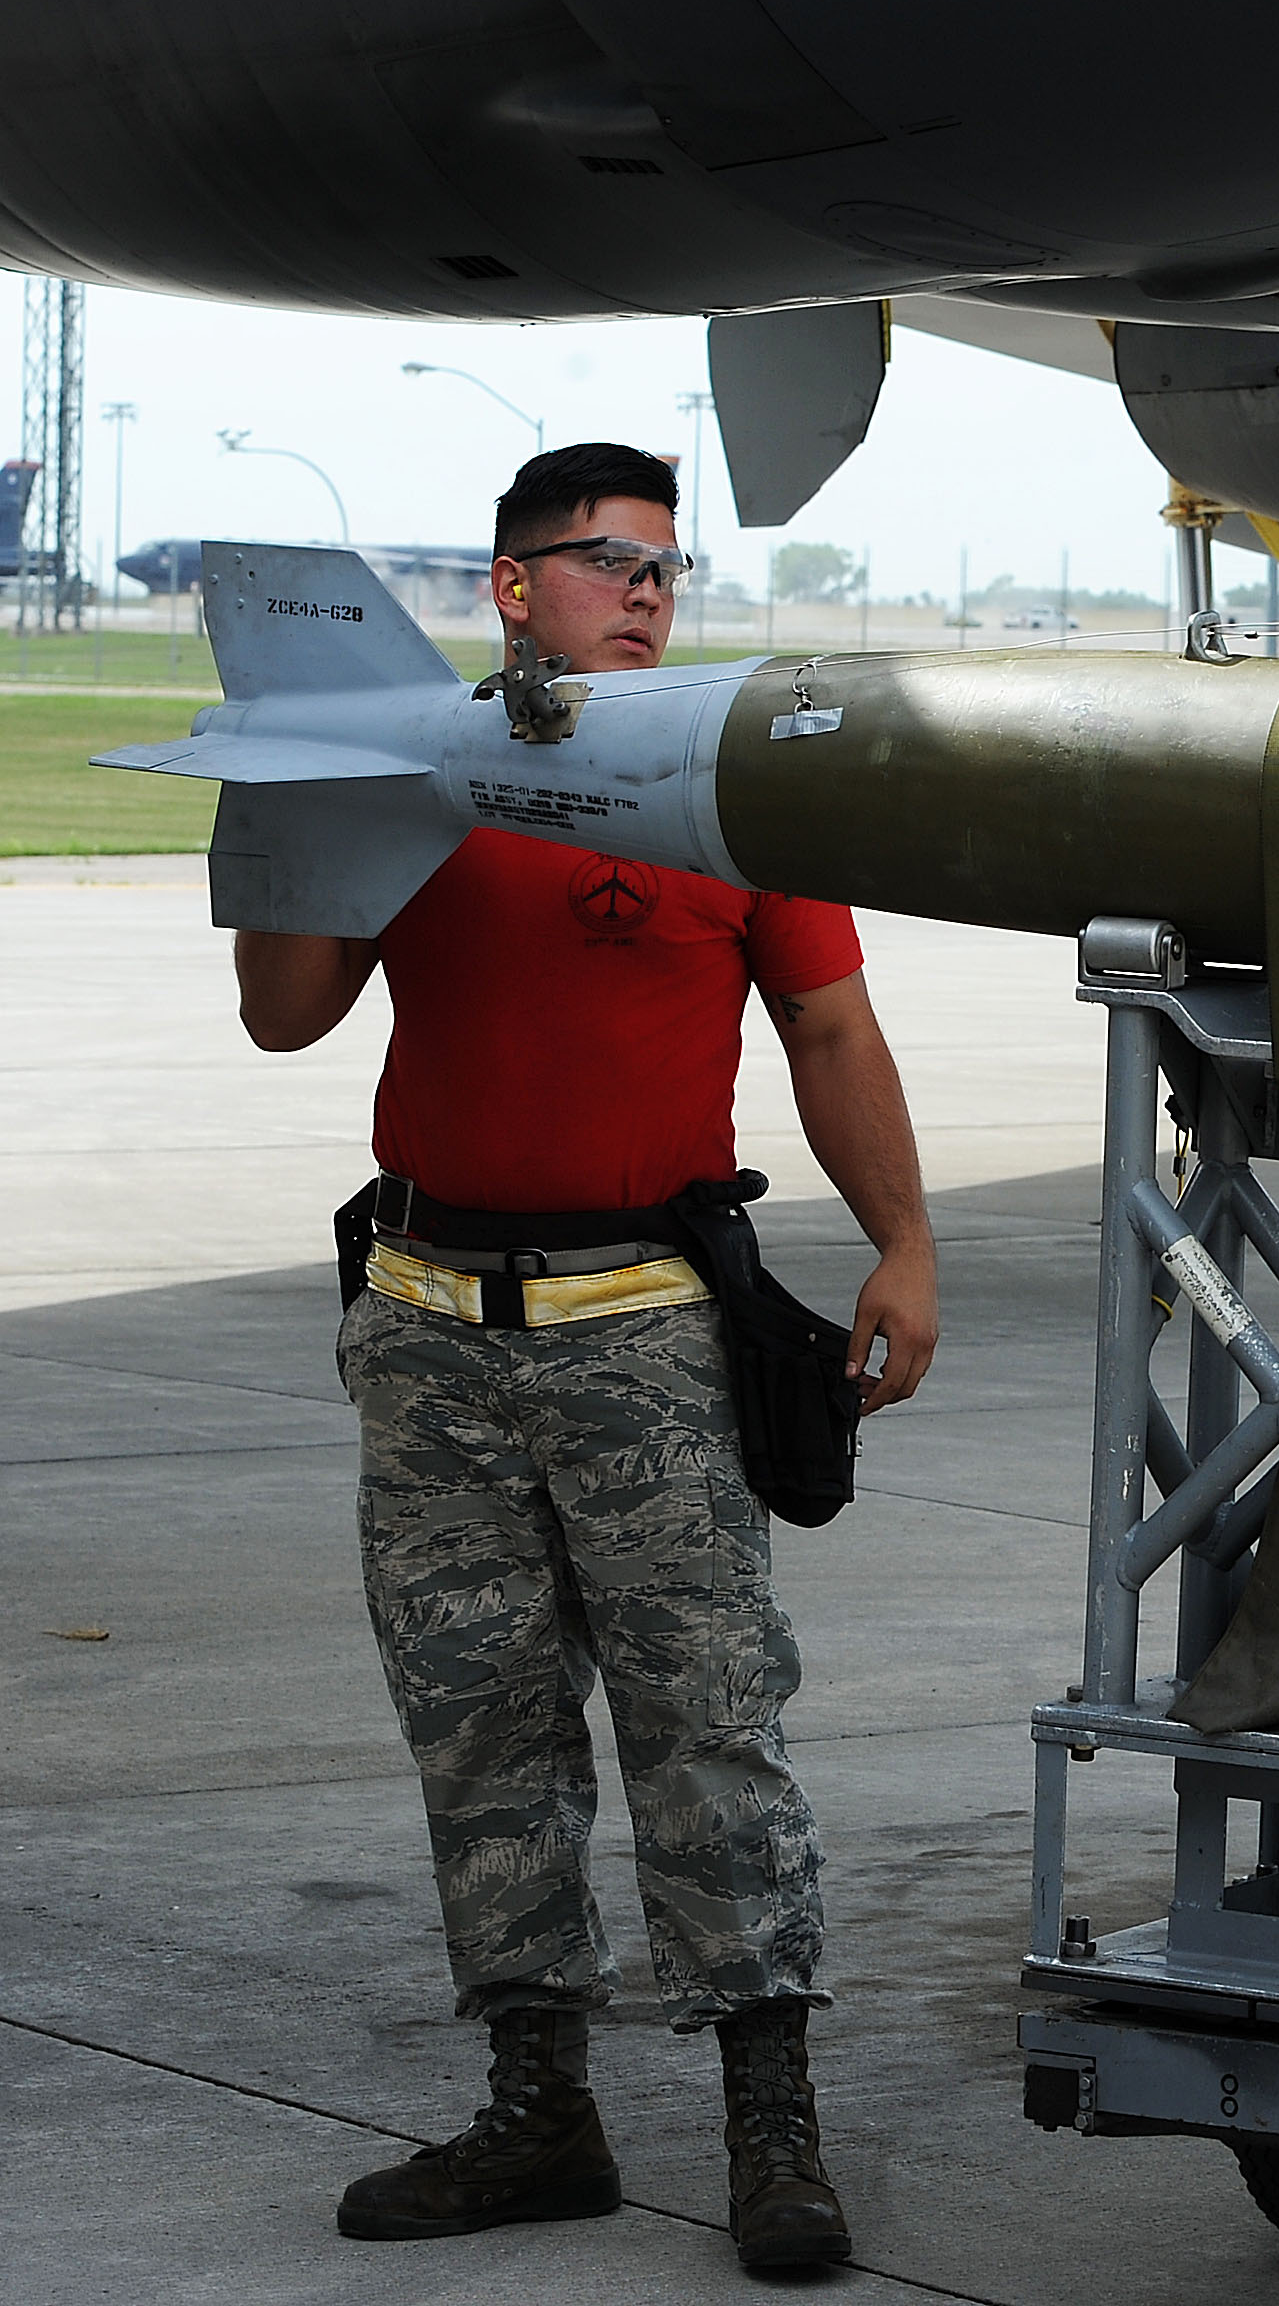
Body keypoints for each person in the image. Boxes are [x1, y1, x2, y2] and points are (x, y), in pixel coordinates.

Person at [232, 444, 939, 2271]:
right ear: (510, 587)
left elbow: (832, 1028)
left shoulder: (720, 799)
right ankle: (540, 2110)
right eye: (605, 561)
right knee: (482, 1731)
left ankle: (769, 2127)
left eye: (664, 569)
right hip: (429, 1330)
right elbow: (283, 1016)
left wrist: (907, 1246)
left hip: (642, 1333)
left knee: (710, 1728)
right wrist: (301, 812)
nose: (642, 594)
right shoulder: (420, 777)